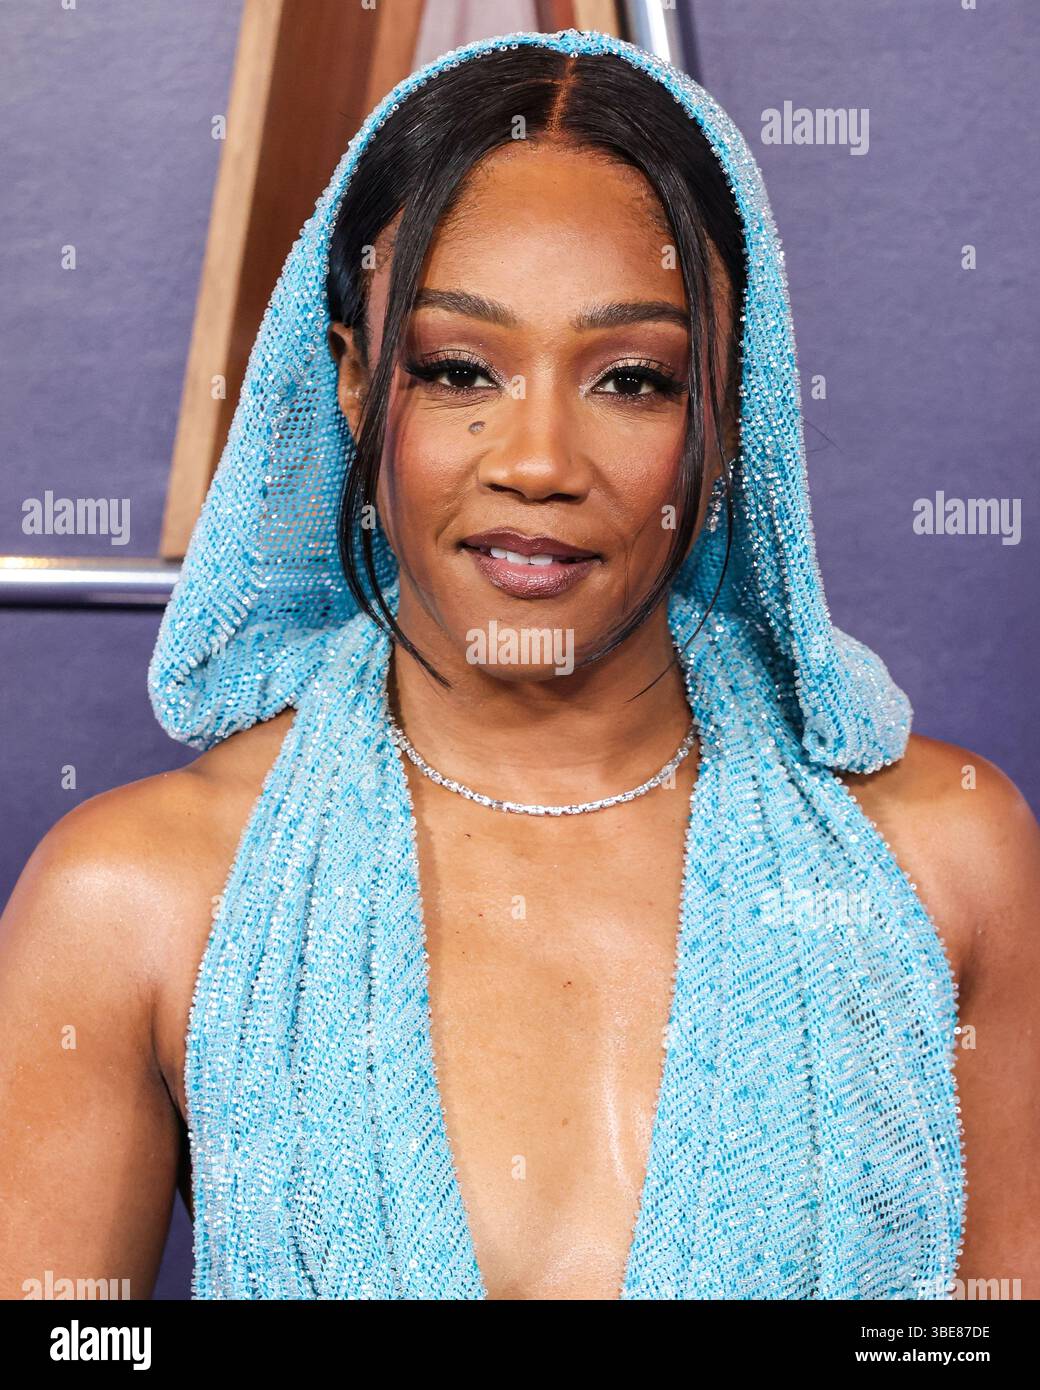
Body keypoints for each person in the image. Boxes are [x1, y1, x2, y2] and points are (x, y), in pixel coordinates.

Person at [1, 28, 1038, 1302]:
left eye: (632, 379)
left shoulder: (948, 857)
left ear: (729, 408)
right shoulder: (135, 895)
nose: (537, 458)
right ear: (349, 382)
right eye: (454, 369)